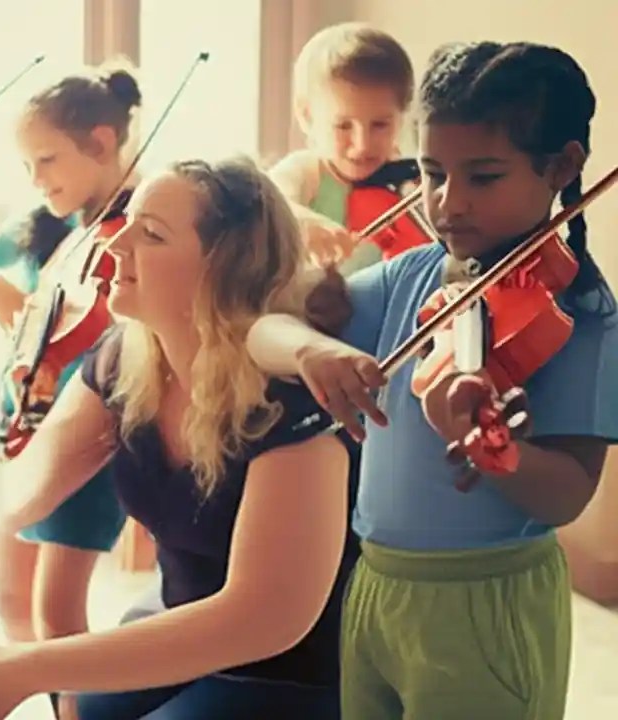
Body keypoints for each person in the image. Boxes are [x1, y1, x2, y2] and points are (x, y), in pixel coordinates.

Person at [0, 157, 358, 720]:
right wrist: (34, 383)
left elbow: (259, 619)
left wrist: (19, 668)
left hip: (294, 671)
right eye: (128, 223)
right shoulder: (124, 360)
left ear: (223, 267)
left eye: (152, 234)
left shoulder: (291, 402)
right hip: (177, 616)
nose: (116, 247)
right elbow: (19, 501)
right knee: (82, 708)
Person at [245, 41, 618, 720]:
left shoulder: (579, 314)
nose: (447, 203)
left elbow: (568, 493)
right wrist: (308, 350)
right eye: (431, 171)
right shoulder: (411, 274)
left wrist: (491, 445)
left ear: (562, 166)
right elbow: (262, 331)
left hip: (486, 603)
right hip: (376, 582)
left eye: (483, 177)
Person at [0, 65, 142, 717]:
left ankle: (73, 709)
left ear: (101, 144)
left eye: (46, 160)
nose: (36, 179)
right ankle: (53, 702)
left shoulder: (141, 225)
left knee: (56, 606)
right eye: (27, 164)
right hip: (21, 418)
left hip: (85, 429)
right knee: (12, 597)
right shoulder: (44, 227)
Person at [268, 22, 419, 272]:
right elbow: (266, 204)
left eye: (380, 125)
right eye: (343, 126)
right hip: (307, 306)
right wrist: (303, 223)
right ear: (307, 117)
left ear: (402, 115)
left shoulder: (408, 182)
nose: (362, 145)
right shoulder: (306, 171)